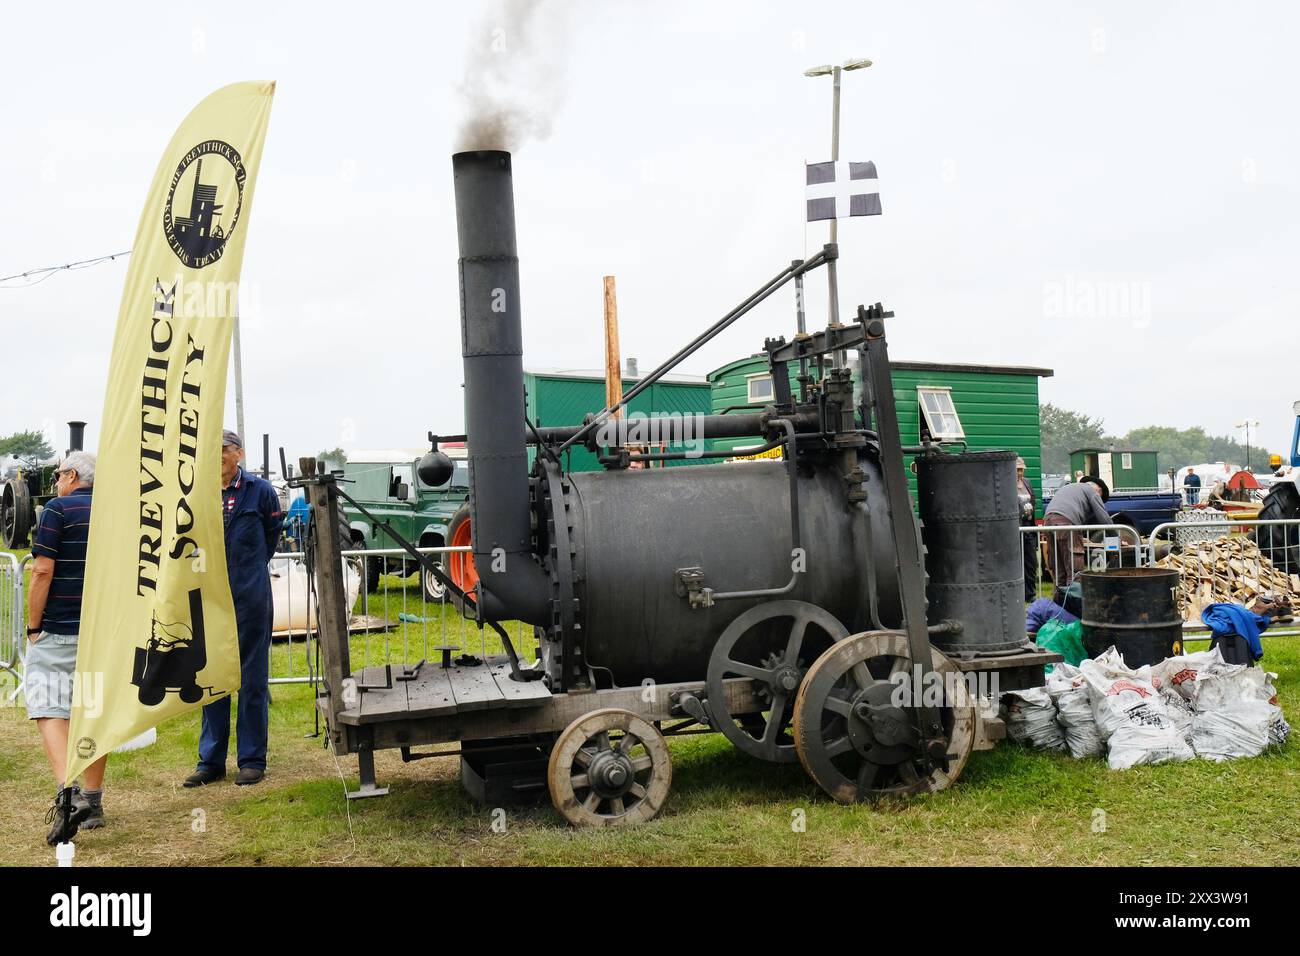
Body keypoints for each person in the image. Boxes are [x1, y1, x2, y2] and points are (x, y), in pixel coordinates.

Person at [185, 430, 283, 788]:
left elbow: (272, 536)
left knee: (251, 676)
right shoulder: (198, 493)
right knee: (210, 677)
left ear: (238, 453)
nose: (217, 455)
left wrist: (247, 569)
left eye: (222, 449)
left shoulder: (260, 492)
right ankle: (210, 761)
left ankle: (252, 759)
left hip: (250, 593)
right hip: (209, 594)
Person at [25, 451, 106, 844]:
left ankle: (68, 792)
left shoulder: (57, 509)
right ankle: (94, 799)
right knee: (92, 708)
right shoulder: (115, 511)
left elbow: (42, 569)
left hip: (59, 627)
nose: (56, 481)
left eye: (58, 474)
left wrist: (33, 626)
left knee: (48, 706)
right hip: (102, 629)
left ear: (71, 475)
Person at [1041, 475, 1113, 592]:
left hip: (1048, 521)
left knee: (1059, 569)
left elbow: (1061, 513)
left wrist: (1079, 536)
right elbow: (1104, 519)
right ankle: (1073, 602)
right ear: (1099, 490)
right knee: (1074, 568)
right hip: (1066, 523)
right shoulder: (1091, 490)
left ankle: (1058, 604)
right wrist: (1117, 538)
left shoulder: (1069, 488)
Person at [1015, 457, 1038, 601]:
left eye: (1021, 469)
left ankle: (1030, 594)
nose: (1019, 472)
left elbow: (1033, 500)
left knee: (1031, 562)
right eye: (1017, 469)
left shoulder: (1027, 483)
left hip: (1029, 526)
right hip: (1016, 526)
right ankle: (1018, 593)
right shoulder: (1007, 484)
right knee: (1018, 561)